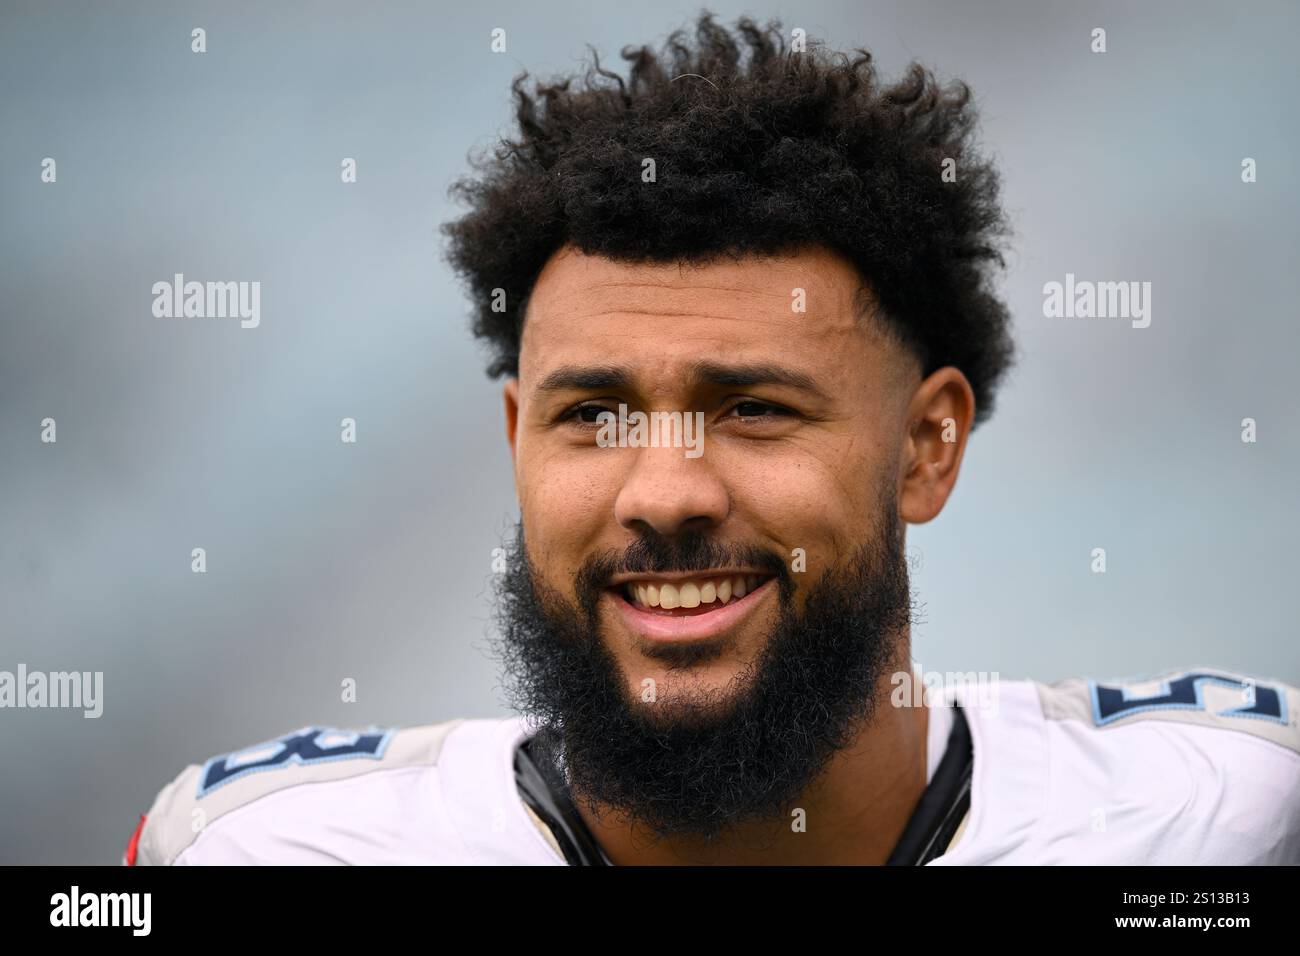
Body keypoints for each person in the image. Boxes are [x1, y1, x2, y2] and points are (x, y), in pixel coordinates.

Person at [125, 13, 1300, 866]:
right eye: (592, 415)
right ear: (514, 440)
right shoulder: (266, 849)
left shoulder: (1232, 812)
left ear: (926, 444)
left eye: (752, 408)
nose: (666, 491)